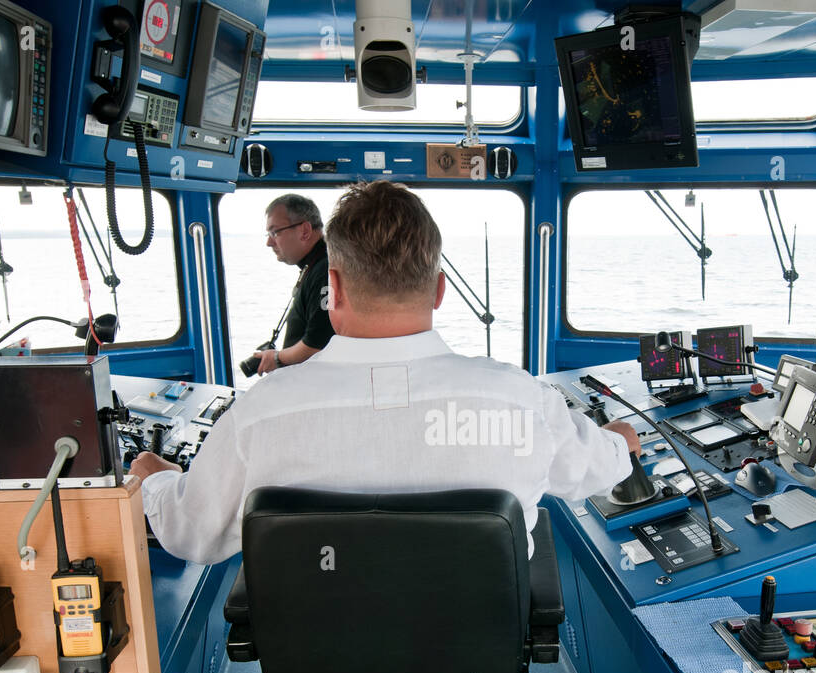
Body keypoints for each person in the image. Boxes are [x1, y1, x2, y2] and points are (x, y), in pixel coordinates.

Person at [133, 180, 638, 563]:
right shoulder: (521, 402)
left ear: (334, 287)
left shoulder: (258, 415)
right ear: (440, 290)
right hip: (471, 671)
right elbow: (597, 470)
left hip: (315, 672)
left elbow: (189, 534)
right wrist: (621, 440)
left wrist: (156, 480)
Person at [247, 194, 333, 374]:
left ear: (305, 231)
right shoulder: (316, 266)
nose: (269, 242)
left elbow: (318, 344)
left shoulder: (325, 270)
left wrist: (277, 358)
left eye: (274, 232)